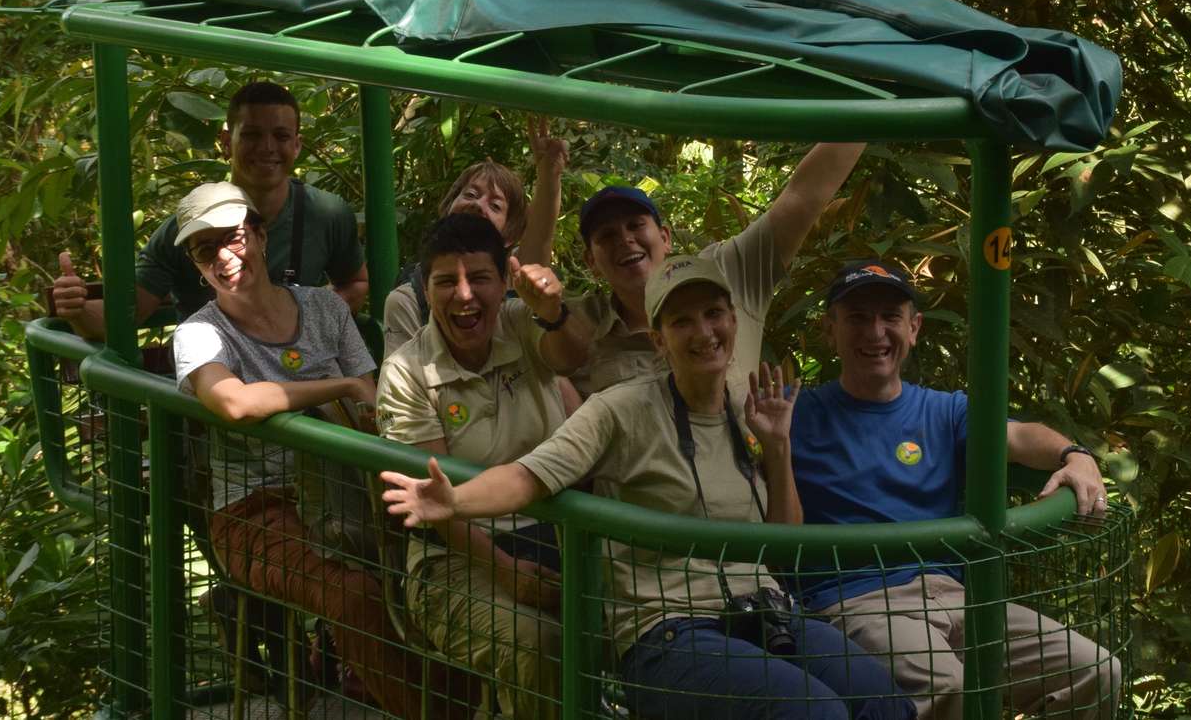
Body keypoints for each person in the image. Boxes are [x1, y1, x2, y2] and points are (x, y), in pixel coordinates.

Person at [383, 256, 914, 720]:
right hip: (666, 630)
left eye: (713, 314)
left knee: (884, 704)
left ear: (733, 321)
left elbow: (783, 547)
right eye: (682, 321)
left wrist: (777, 449)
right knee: (812, 711)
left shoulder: (746, 408)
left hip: (763, 612)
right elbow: (528, 476)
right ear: (659, 340)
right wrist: (454, 499)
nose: (703, 332)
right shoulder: (621, 408)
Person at [165, 181, 450, 718]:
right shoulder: (199, 335)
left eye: (233, 238)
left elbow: (374, 404)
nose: (225, 257)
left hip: (348, 489)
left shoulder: (323, 308)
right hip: (254, 508)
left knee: (439, 564)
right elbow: (235, 404)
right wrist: (335, 387)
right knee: (356, 595)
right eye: (206, 250)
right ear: (196, 264)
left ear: (259, 235)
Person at [789, 260, 1119, 720]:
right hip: (859, 600)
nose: (875, 333)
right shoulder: (794, 413)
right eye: (858, 318)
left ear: (914, 328)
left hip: (955, 595)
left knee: (1094, 670)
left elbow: (1021, 437)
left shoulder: (944, 411)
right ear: (830, 330)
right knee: (948, 688)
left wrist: (1076, 455)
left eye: (890, 318)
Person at [374, 213, 592, 720]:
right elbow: (437, 501)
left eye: (480, 278)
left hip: (558, 536)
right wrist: (507, 573)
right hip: (455, 560)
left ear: (504, 281)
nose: (465, 295)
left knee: (640, 618)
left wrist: (554, 313)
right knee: (537, 642)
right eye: (446, 281)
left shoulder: (521, 321)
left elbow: (572, 357)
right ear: (426, 291)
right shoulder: (406, 372)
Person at [51, 81, 369, 342]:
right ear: (226, 142)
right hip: (217, 385)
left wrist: (307, 321)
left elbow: (356, 283)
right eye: (252, 135)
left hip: (298, 373)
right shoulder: (188, 227)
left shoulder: (325, 213)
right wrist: (76, 308)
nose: (268, 147)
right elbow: (120, 318)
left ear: (297, 146)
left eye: (281, 136)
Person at [560, 142, 865, 395]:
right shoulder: (573, 326)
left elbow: (803, 197)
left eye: (635, 225)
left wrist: (877, 100)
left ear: (665, 238)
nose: (625, 240)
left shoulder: (725, 271)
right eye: (607, 236)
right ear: (591, 262)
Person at [380, 116, 569, 358]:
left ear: (510, 234)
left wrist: (549, 174)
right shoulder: (410, 299)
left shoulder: (516, 280)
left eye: (495, 206)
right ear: (449, 205)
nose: (479, 205)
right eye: (470, 194)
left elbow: (539, 239)